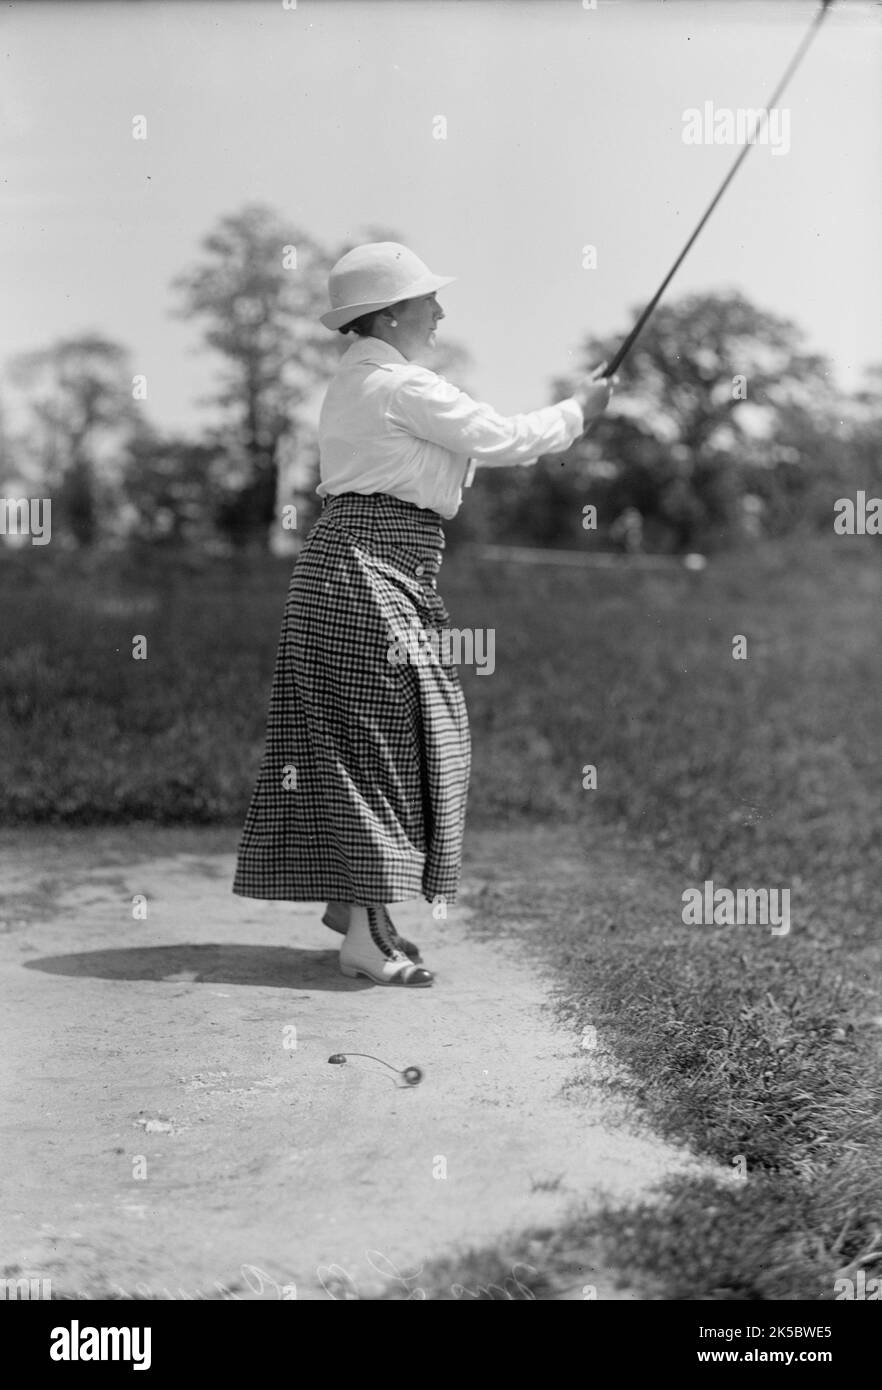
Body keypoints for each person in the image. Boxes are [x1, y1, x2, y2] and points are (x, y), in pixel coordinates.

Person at [232, 242, 613, 987]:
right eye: (427, 301)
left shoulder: (365, 382)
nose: (439, 311)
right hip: (364, 573)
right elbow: (503, 439)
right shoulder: (398, 385)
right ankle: (365, 940)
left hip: (364, 570)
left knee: (372, 745)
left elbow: (460, 451)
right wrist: (581, 410)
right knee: (383, 749)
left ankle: (363, 916)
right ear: (393, 312)